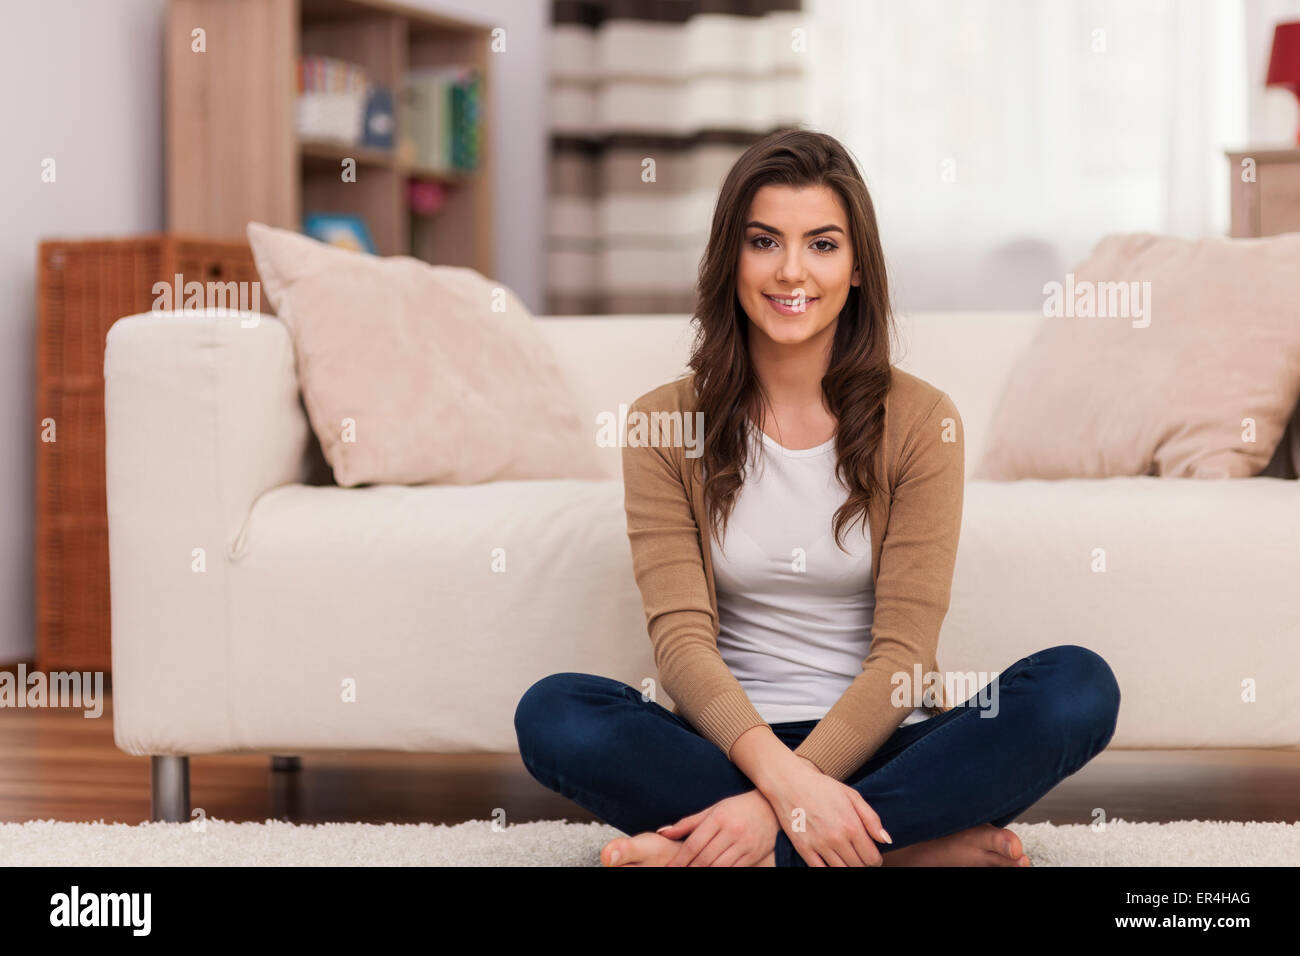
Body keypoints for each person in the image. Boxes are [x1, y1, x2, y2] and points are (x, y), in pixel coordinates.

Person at [515, 128, 1120, 867]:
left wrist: (788, 799)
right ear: (729, 258)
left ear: (858, 266)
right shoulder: (662, 423)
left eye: (823, 245)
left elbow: (904, 655)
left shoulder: (924, 422)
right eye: (764, 241)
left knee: (1076, 689)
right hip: (727, 750)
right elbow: (679, 646)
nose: (791, 271)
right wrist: (782, 782)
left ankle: (754, 847)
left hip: (888, 748)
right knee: (555, 713)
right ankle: (904, 850)